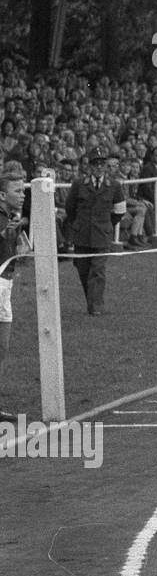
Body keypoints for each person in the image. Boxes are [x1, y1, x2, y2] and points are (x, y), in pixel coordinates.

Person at [64, 147, 125, 316]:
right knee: (83, 270)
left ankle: (96, 307)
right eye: (95, 164)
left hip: (101, 236)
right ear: (89, 166)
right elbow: (70, 208)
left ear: (106, 166)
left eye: (102, 164)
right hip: (82, 235)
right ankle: (93, 302)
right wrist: (78, 224)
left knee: (98, 271)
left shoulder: (114, 186)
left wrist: (106, 224)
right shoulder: (78, 184)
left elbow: (120, 211)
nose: (99, 167)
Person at [0, 164, 32, 423]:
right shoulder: (3, 218)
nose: (22, 194)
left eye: (23, 190)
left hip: (6, 286)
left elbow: (24, 255)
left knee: (2, 347)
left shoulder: (12, 218)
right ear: (2, 194)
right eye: (17, 190)